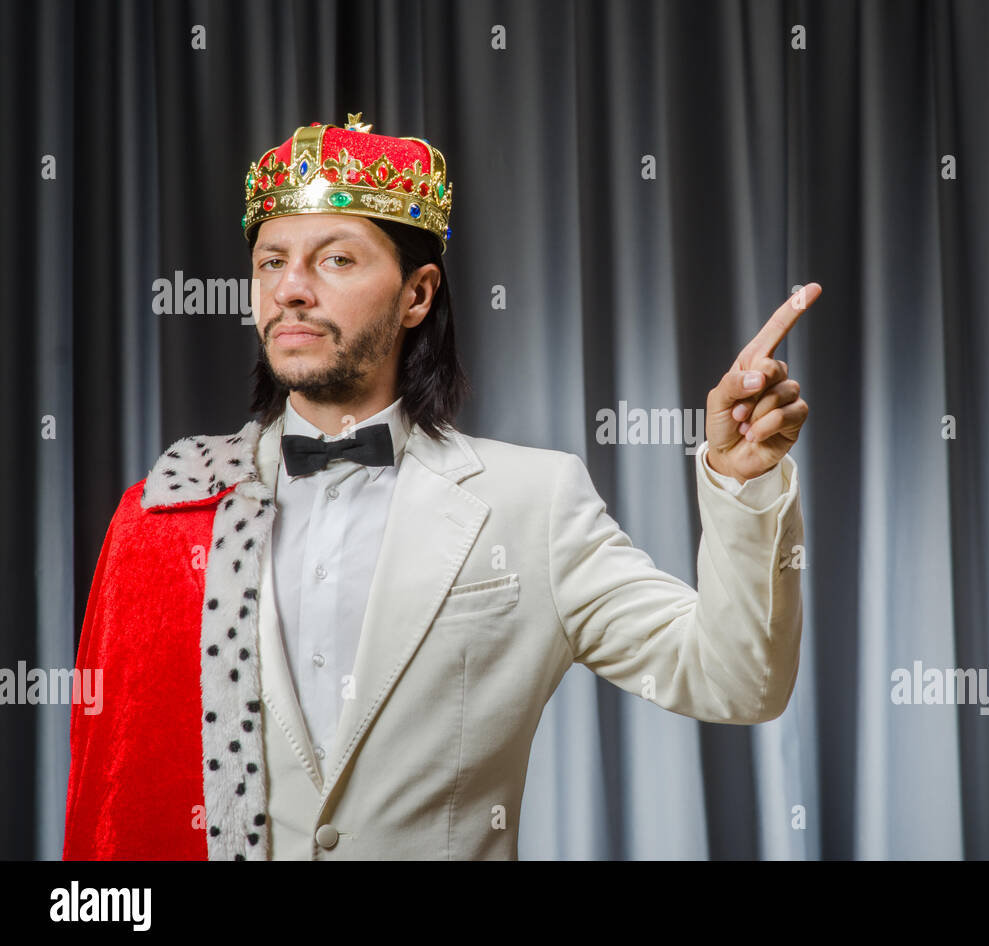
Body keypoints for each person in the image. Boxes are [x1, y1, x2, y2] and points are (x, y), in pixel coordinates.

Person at [63, 112, 820, 860]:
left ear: (417, 295)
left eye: (335, 260)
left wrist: (742, 482)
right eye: (271, 261)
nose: (290, 289)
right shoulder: (169, 511)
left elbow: (738, 680)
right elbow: (116, 796)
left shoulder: (533, 501)